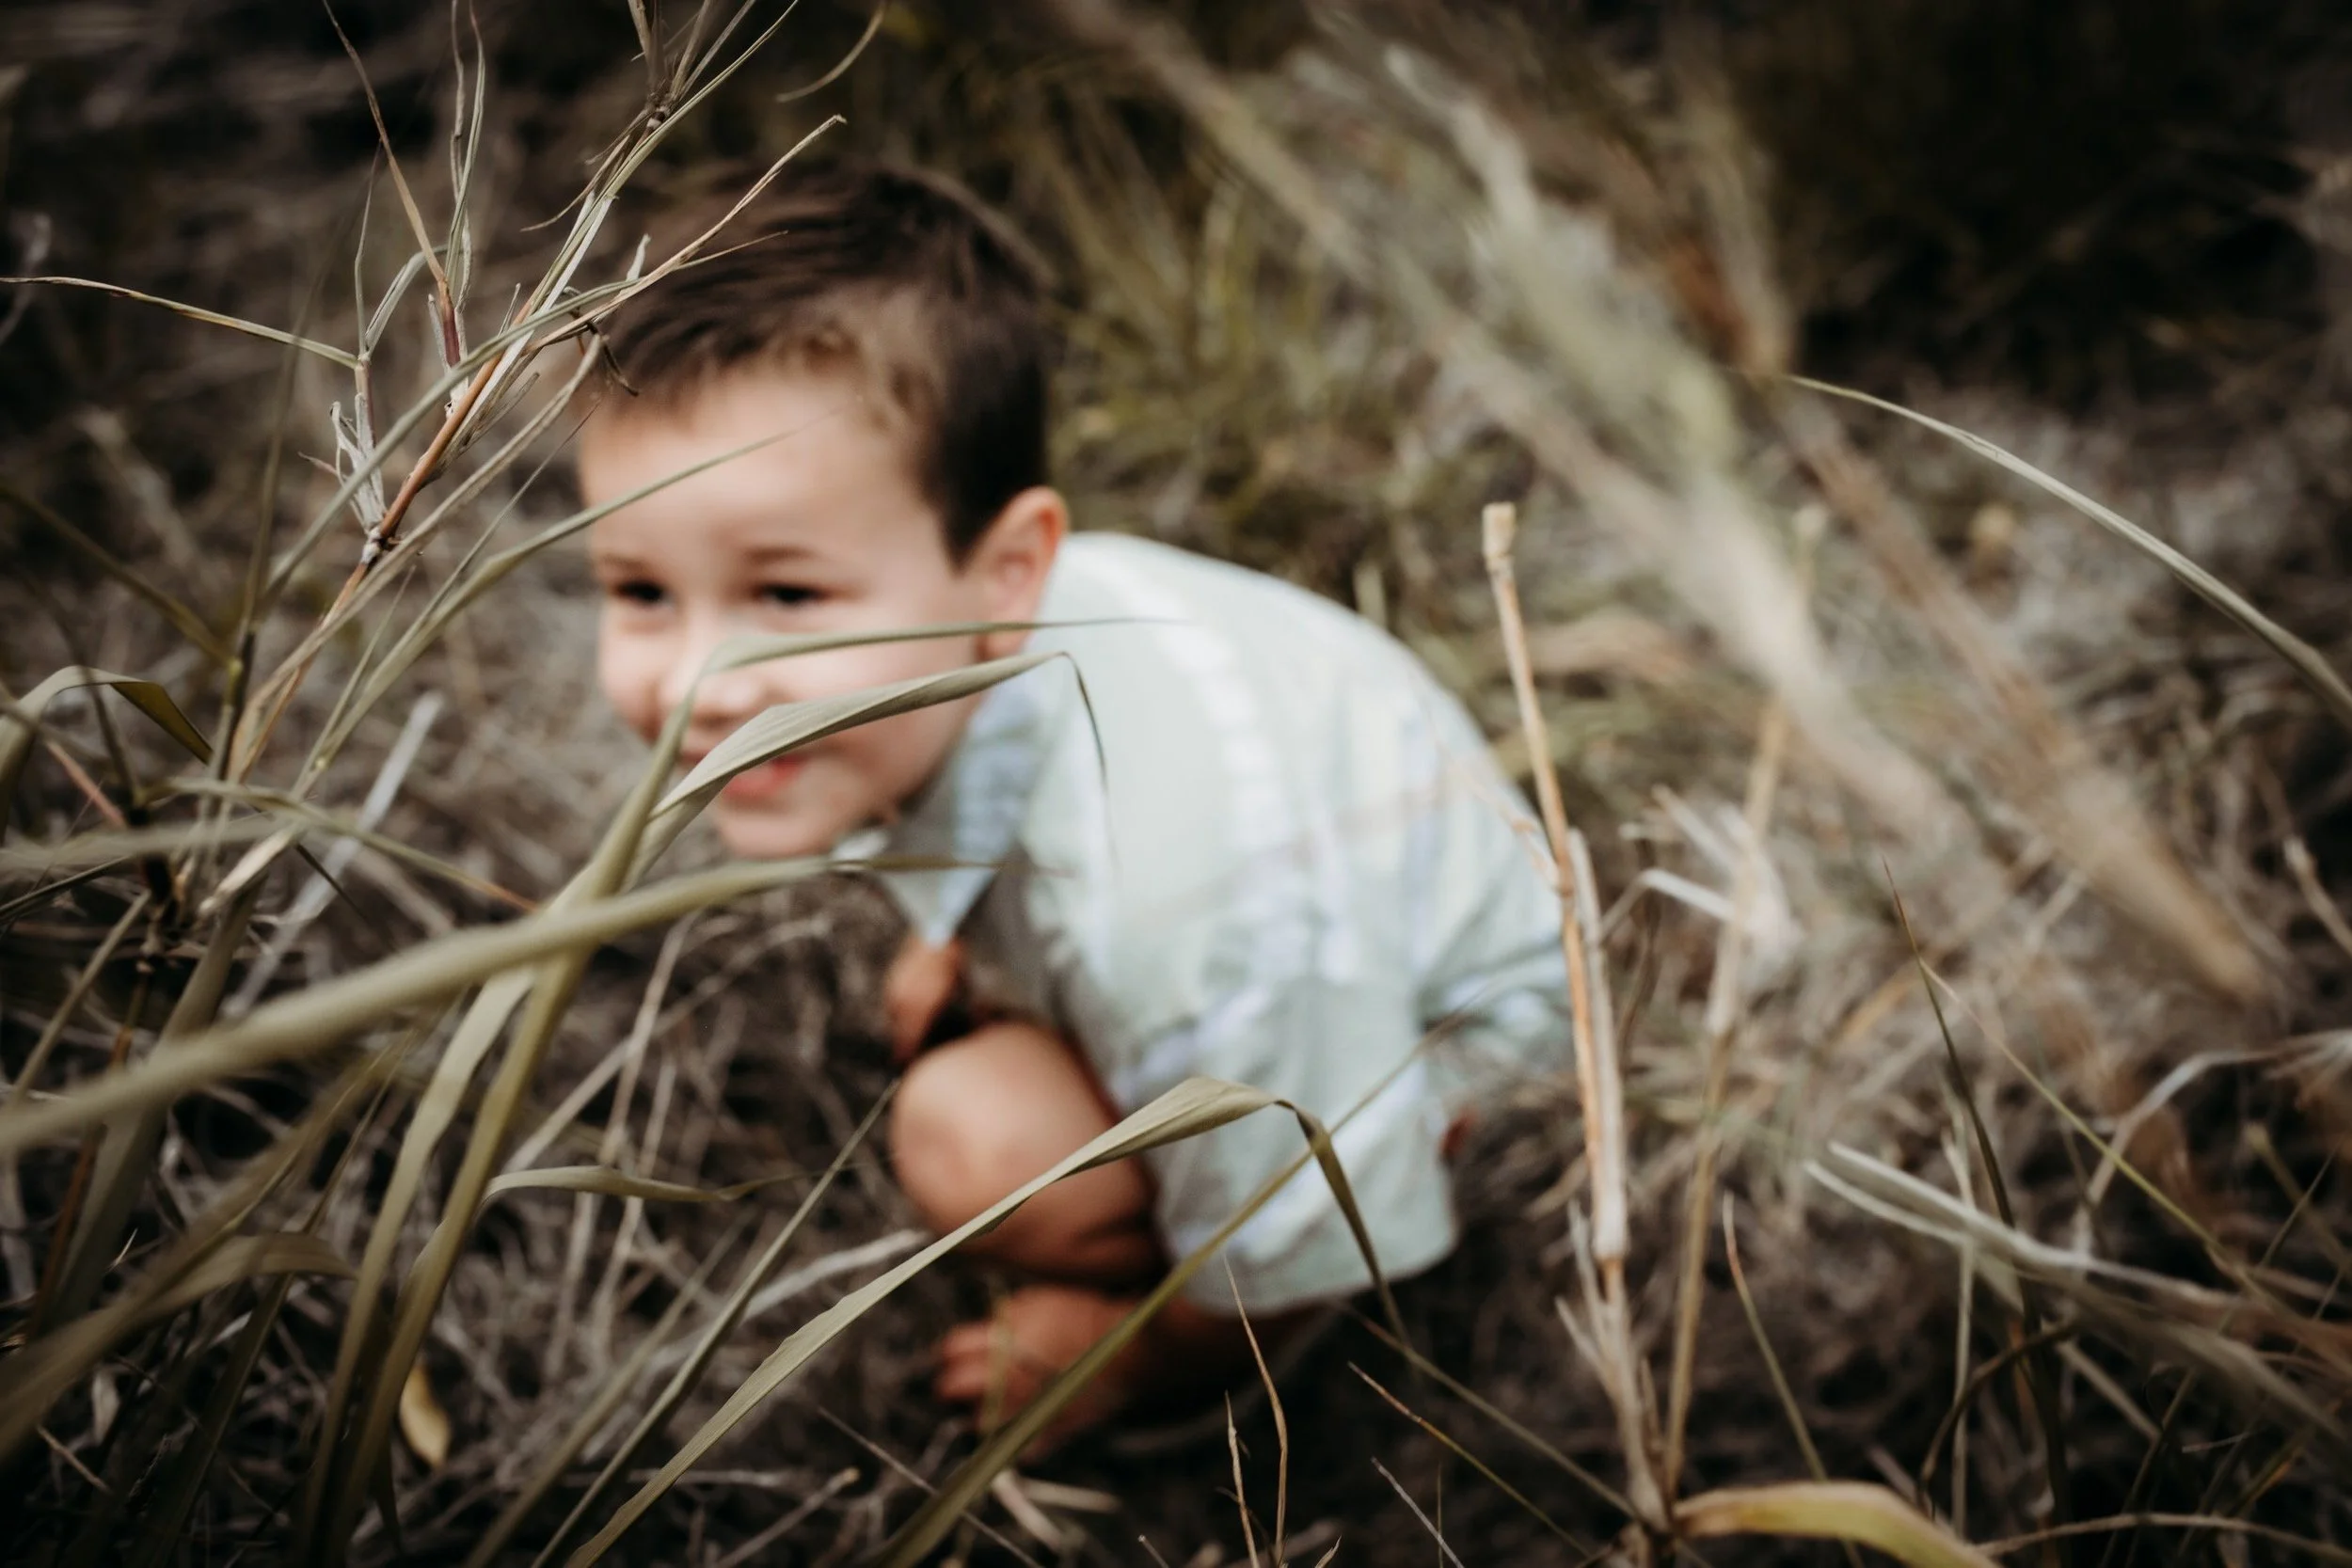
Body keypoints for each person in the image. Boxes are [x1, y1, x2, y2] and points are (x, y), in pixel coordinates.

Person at [578, 159, 1566, 1446]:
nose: (701, 683)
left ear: (1003, 575)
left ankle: (1164, 1294)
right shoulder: (985, 645)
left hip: (1425, 1050)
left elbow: (1318, 1197)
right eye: (639, 590)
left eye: (789, 595)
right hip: (1276, 933)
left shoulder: (1176, 913)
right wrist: (960, 932)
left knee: (974, 1143)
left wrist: (1140, 1353)